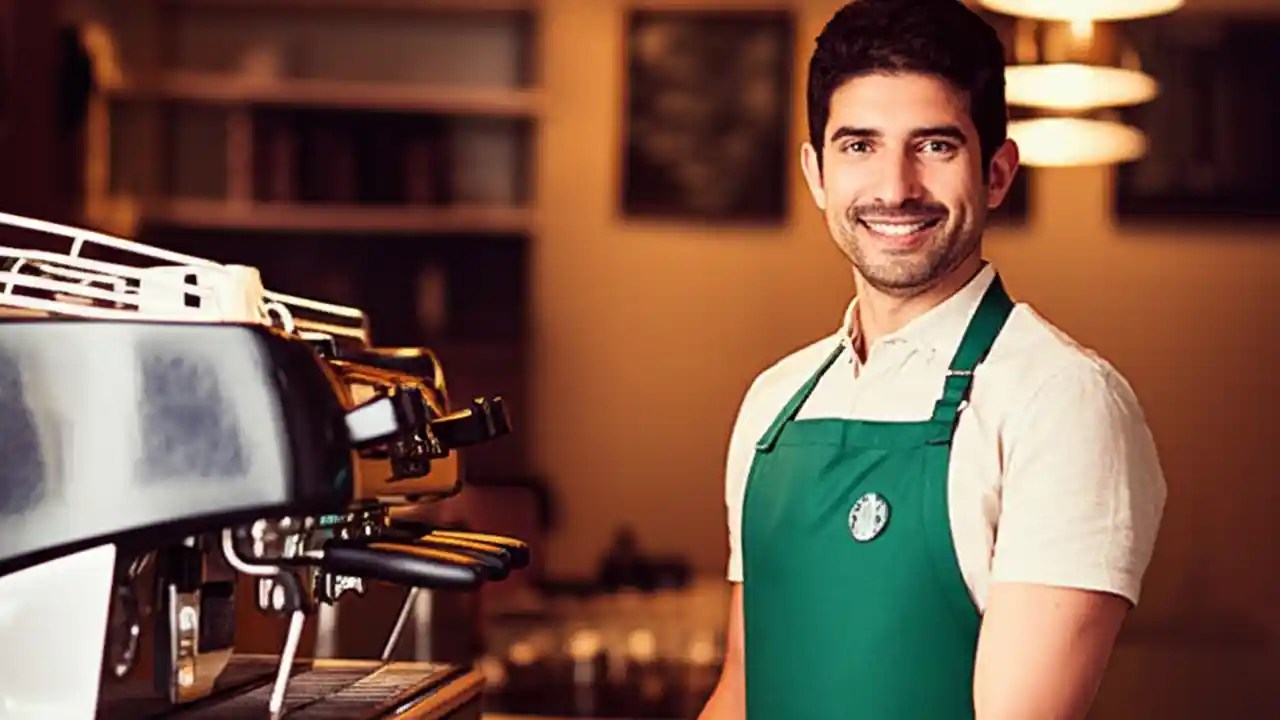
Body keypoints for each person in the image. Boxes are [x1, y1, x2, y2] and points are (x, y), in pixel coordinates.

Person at [698, 1, 1167, 718]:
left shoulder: (1061, 402)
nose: (895, 187)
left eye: (936, 146)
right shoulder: (773, 401)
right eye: (859, 146)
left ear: (998, 173)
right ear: (816, 172)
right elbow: (741, 694)